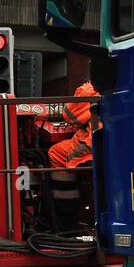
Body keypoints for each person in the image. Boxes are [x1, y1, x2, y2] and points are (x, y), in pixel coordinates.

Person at [47, 81, 98, 230]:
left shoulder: (88, 90)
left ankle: (66, 219)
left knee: (56, 153)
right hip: (111, 146)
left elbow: (70, 116)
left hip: (91, 149)